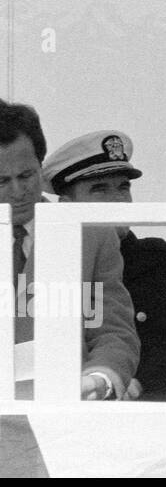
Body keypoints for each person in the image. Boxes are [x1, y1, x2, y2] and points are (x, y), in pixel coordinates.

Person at [1, 100, 139, 400]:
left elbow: (112, 330)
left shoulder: (91, 234)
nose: (17, 191)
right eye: (2, 181)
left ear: (41, 166)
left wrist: (101, 377)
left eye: (26, 176)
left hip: (65, 407)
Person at [44, 130, 166, 400]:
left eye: (123, 187)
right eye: (100, 189)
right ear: (68, 206)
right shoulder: (51, 266)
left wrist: (130, 380)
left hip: (158, 407)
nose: (117, 199)